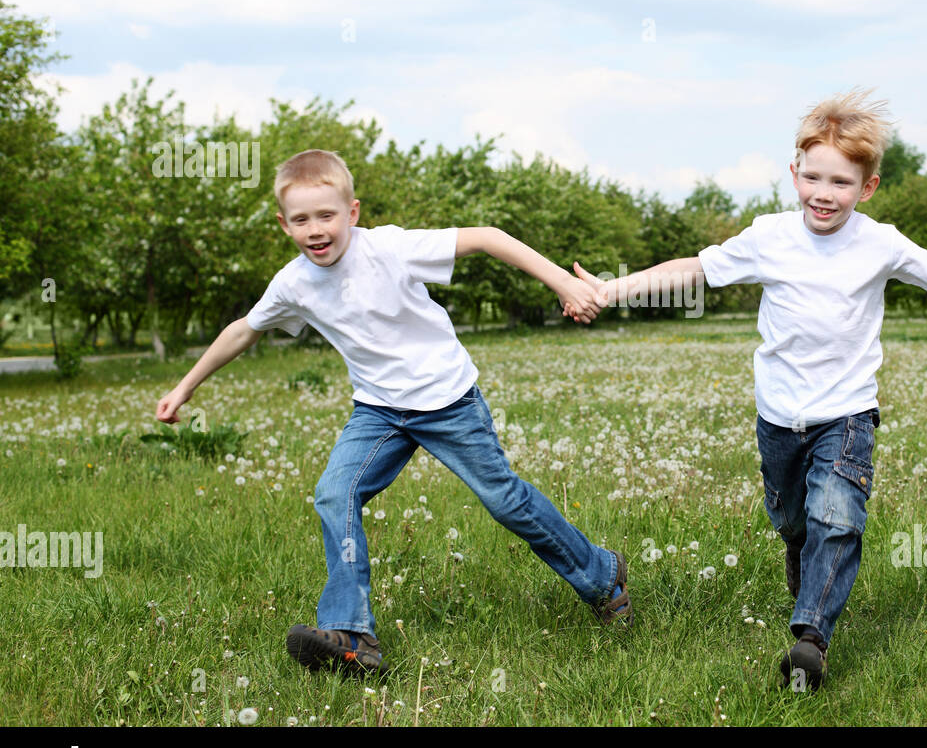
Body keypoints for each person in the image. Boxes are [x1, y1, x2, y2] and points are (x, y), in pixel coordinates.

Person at [577, 90, 927, 691]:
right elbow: (693, 269)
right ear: (793, 172)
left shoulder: (882, 244)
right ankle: (806, 572)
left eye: (842, 183)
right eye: (814, 177)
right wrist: (612, 290)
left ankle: (811, 641)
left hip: (846, 413)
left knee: (838, 518)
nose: (825, 194)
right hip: (778, 417)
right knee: (794, 523)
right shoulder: (769, 237)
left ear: (868, 187)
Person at [155, 149, 632, 675]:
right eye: (301, 220)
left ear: (352, 212)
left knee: (506, 502)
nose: (315, 230)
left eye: (326, 215)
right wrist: (185, 388)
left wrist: (563, 283)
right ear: (283, 223)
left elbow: (490, 237)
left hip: (447, 402)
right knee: (336, 493)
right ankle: (352, 636)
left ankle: (601, 574)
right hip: (379, 412)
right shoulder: (293, 282)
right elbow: (244, 328)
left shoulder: (391, 248)